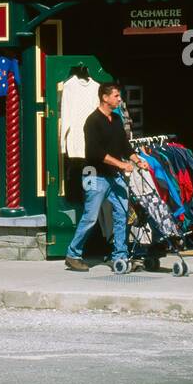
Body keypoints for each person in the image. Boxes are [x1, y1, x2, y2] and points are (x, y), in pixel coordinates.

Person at [65, 83, 142, 272]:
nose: (119, 99)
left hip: (114, 176)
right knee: (91, 217)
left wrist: (138, 161)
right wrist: (122, 164)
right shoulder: (92, 121)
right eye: (116, 96)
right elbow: (95, 152)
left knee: (122, 213)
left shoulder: (116, 119)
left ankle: (120, 256)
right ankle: (73, 254)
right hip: (95, 174)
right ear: (105, 98)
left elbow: (124, 145)